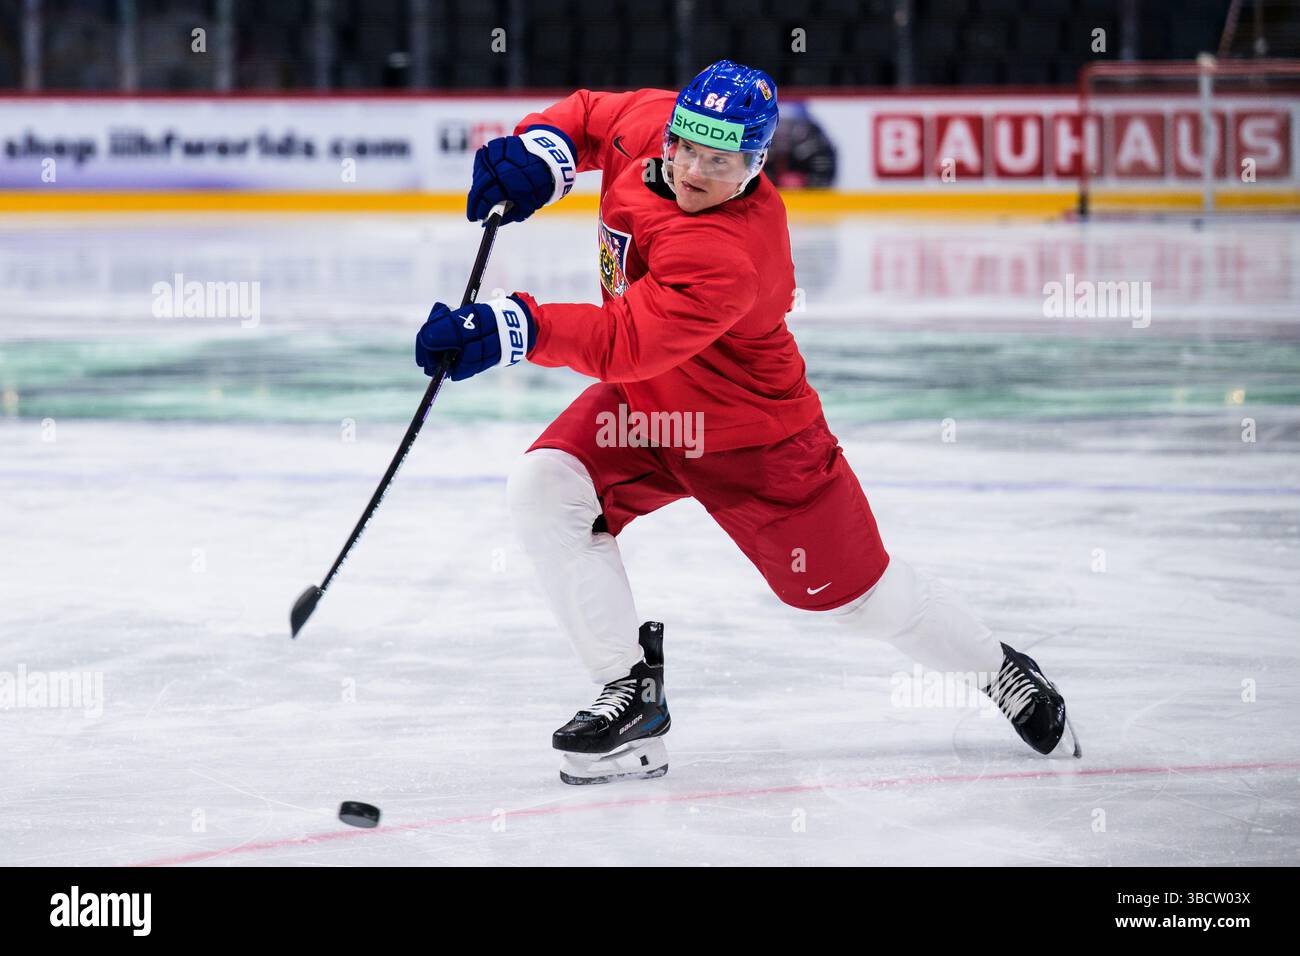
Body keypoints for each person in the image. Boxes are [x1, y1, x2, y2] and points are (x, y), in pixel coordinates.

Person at [414, 60, 1079, 785]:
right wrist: (543, 153)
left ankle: (999, 670)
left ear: (757, 165)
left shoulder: (731, 254)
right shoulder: (660, 128)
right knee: (546, 486)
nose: (695, 169)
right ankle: (630, 696)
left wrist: (510, 325)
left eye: (721, 161)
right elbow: (584, 113)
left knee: (856, 600)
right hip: (648, 413)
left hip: (755, 443)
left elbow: (620, 344)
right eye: (687, 148)